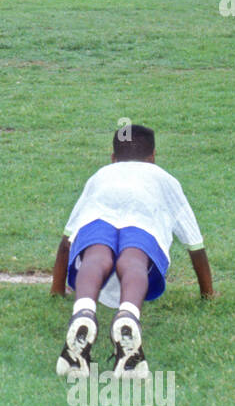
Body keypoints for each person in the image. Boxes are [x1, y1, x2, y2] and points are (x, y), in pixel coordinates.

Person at [49, 125, 214, 380]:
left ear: (113, 158)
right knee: (133, 261)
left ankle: (83, 311)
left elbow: (66, 241)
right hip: (142, 223)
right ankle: (128, 315)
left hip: (98, 220)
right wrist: (208, 293)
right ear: (153, 157)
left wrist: (57, 289)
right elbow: (195, 246)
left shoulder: (102, 175)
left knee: (97, 257)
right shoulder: (163, 178)